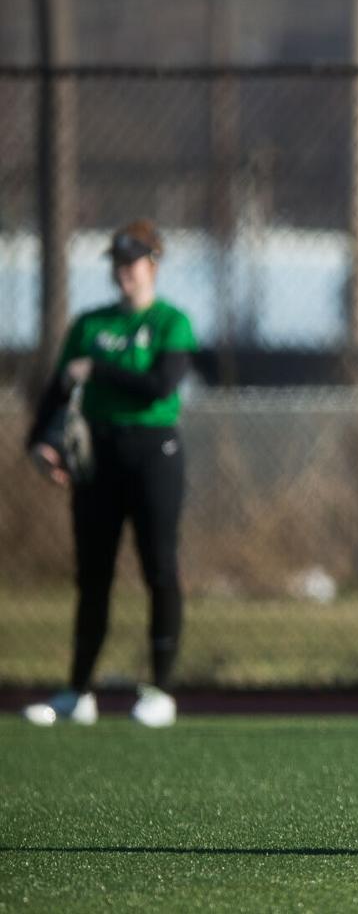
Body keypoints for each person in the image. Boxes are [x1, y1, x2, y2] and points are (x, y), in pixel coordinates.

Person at [23, 219, 197, 728]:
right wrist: (38, 443)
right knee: (92, 574)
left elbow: (161, 385)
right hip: (98, 454)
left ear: (153, 265)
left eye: (133, 262)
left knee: (158, 566)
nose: (123, 272)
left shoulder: (170, 322)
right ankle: (77, 691)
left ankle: (160, 689)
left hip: (154, 452)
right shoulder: (89, 324)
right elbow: (57, 389)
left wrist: (97, 371)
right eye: (117, 264)